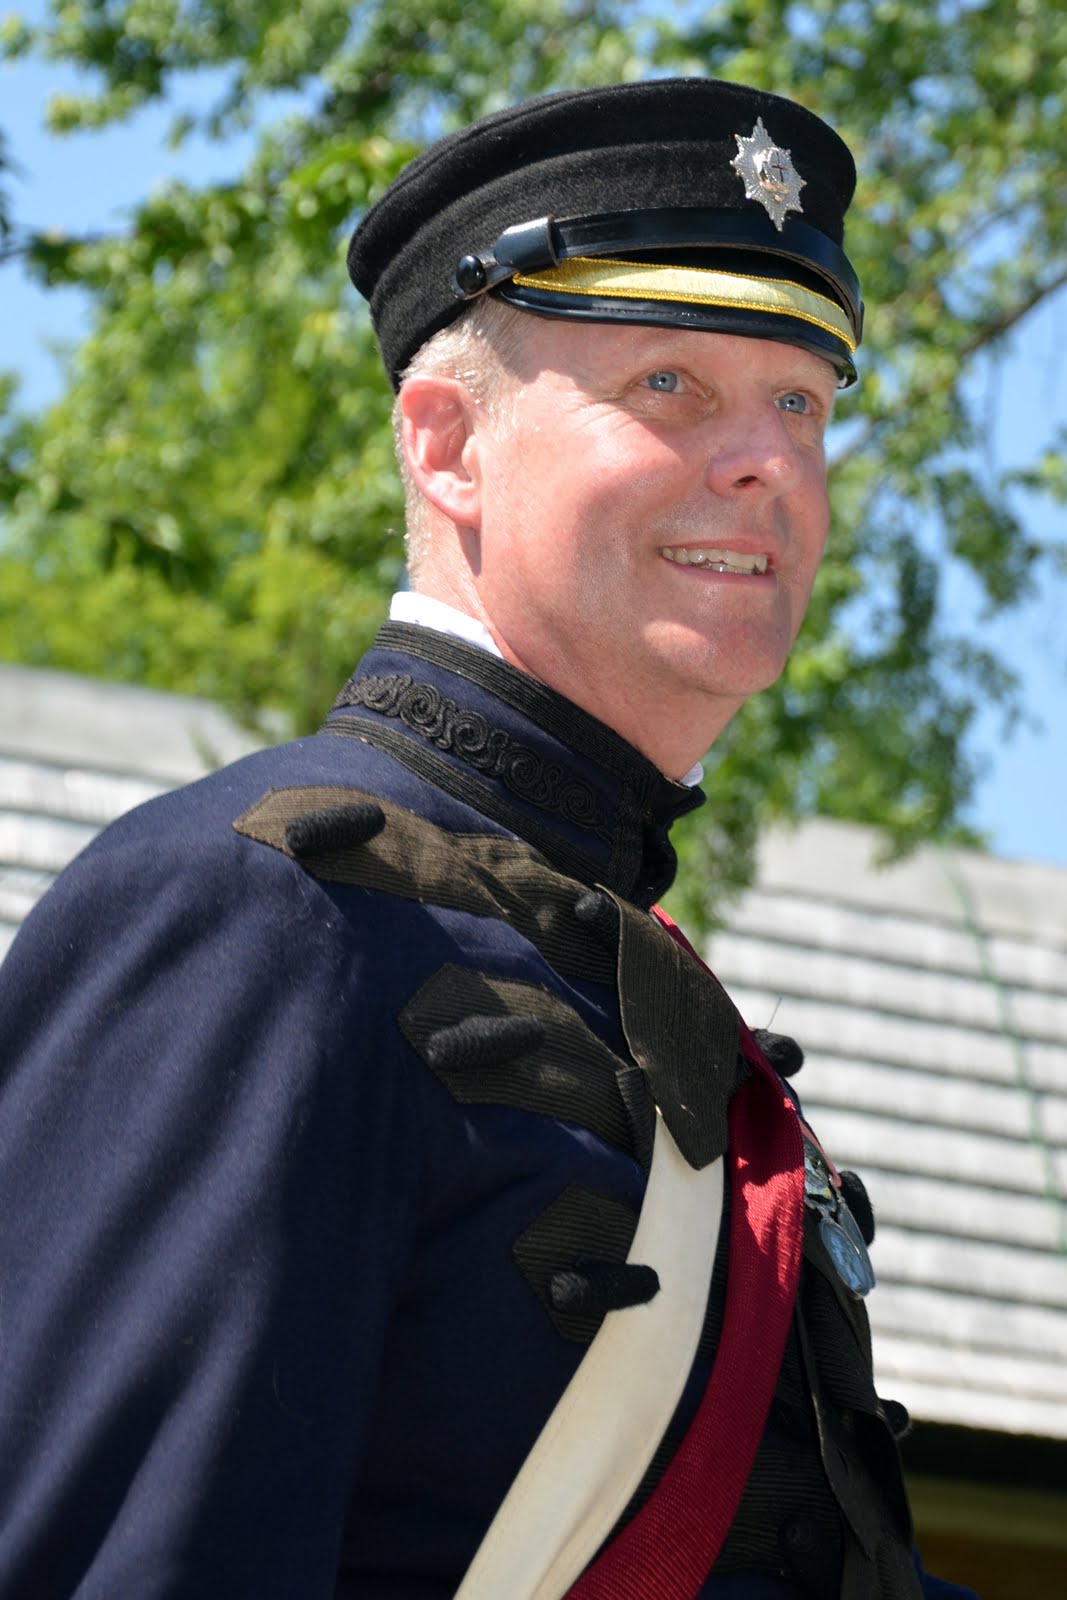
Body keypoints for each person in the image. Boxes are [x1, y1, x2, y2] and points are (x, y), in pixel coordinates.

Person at [0, 78, 978, 1600]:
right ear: (447, 445)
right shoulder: (256, 911)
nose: (769, 464)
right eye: (670, 385)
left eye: (801, 402)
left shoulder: (635, 984)